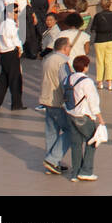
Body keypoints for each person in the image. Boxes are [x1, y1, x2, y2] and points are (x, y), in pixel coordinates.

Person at [63, 55, 103, 182]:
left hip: (70, 114)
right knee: (93, 141)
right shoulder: (87, 82)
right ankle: (86, 171)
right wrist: (100, 118)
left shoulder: (67, 79)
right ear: (85, 67)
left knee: (76, 145)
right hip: (83, 116)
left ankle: (75, 173)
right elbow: (93, 101)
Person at [39, 36, 73, 175]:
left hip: (46, 99)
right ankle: (53, 159)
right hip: (58, 101)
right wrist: (70, 102)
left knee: (52, 132)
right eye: (70, 46)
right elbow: (66, 83)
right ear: (65, 48)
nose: (70, 49)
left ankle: (52, 162)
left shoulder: (48, 59)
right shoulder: (62, 62)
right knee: (70, 131)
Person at [0, 3, 26, 111]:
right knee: (15, 79)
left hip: (3, 54)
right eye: (15, 12)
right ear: (9, 13)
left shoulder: (2, 24)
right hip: (11, 53)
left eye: (17, 12)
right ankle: (16, 104)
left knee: (3, 80)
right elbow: (15, 39)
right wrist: (20, 49)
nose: (17, 14)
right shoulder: (11, 25)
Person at [90, 0, 112, 91]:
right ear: (110, 4)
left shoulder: (97, 16)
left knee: (100, 61)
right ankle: (110, 83)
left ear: (101, 5)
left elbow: (93, 29)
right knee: (109, 62)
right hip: (111, 40)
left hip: (99, 40)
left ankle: (100, 82)